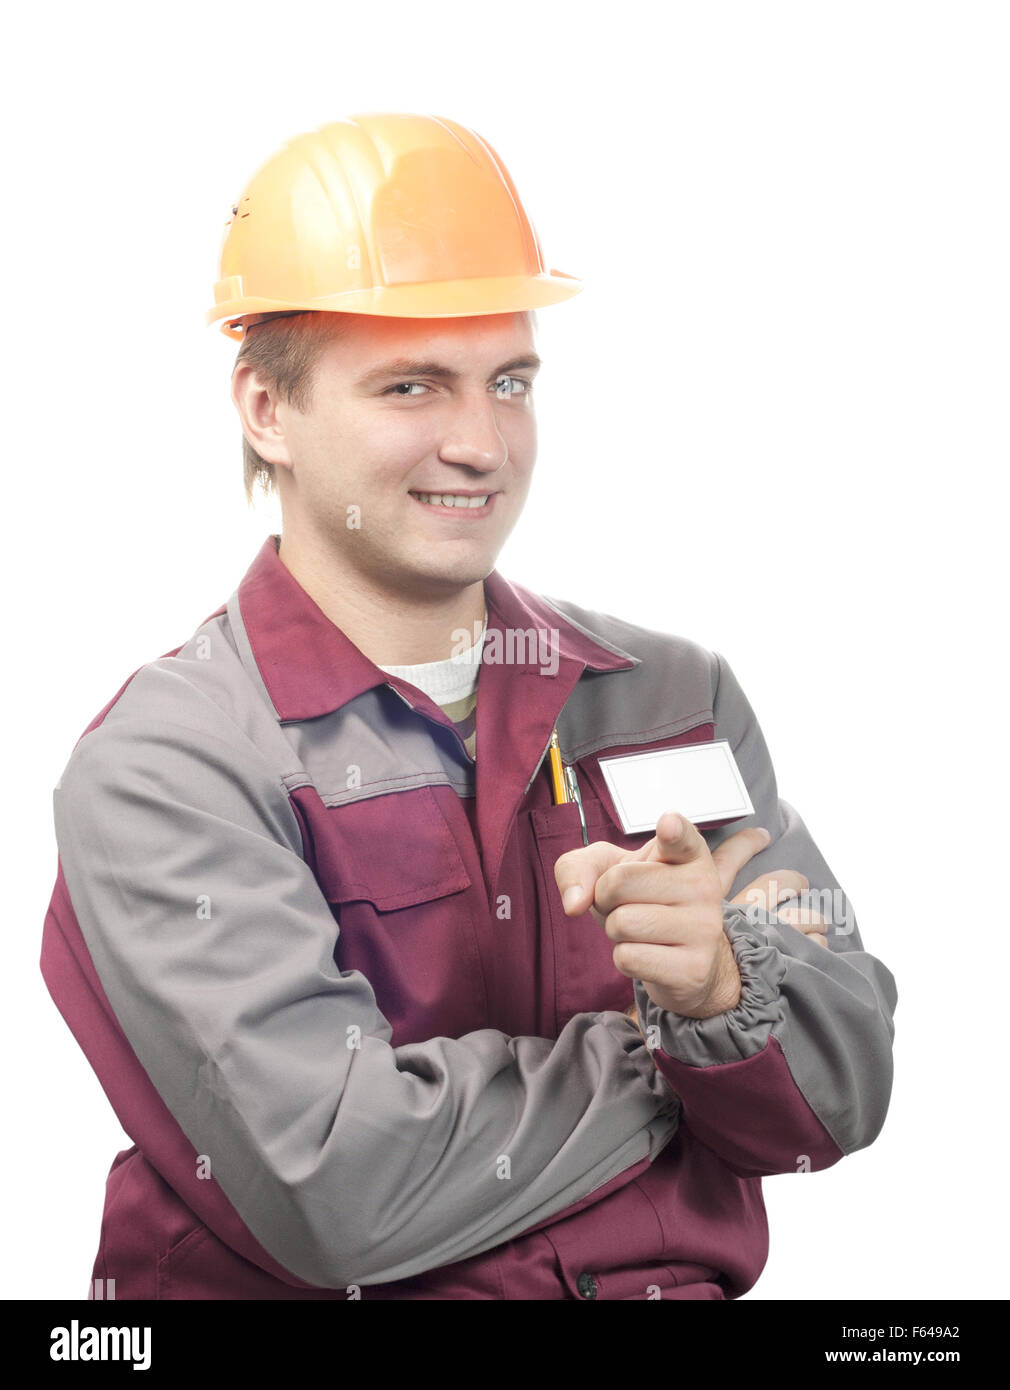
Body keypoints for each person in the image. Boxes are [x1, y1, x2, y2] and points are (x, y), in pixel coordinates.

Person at [41, 112, 897, 1301]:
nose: (479, 441)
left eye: (508, 381)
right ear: (265, 410)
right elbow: (339, 1195)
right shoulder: (171, 766)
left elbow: (842, 1096)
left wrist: (720, 988)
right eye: (411, 385)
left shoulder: (667, 701)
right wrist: (690, 1035)